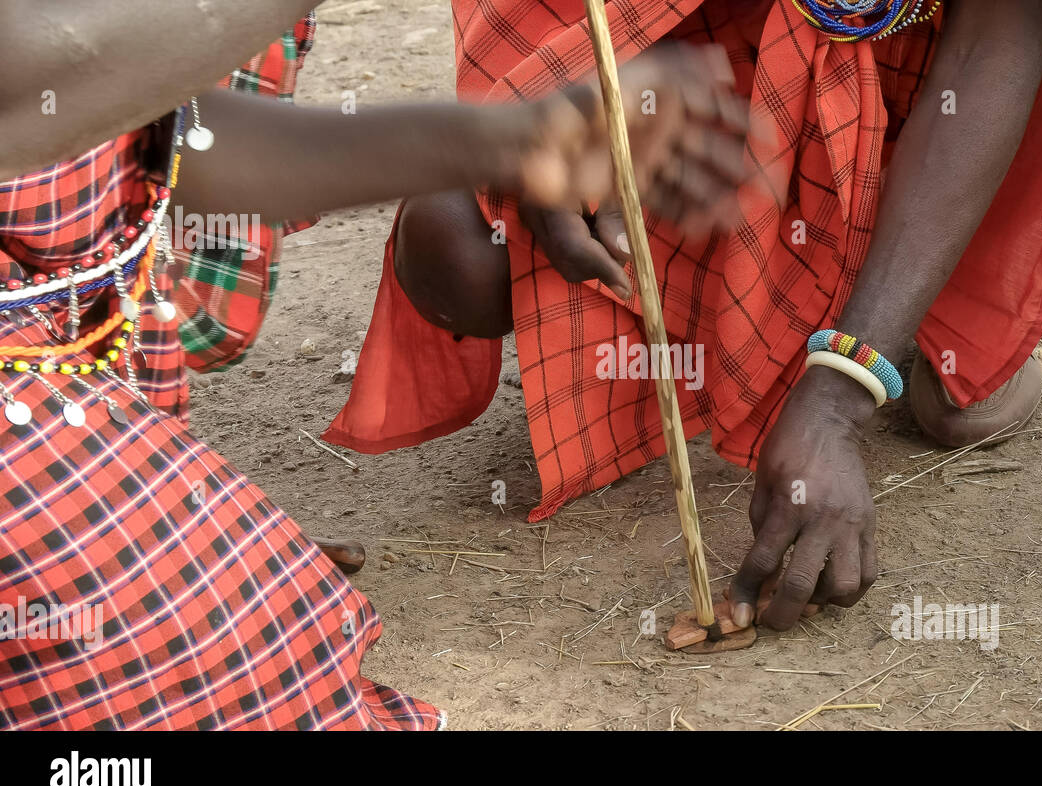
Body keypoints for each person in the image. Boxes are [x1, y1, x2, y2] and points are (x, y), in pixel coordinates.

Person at [327, 0, 1042, 631]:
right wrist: (588, 99)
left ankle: (955, 284)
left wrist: (839, 395)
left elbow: (1000, 36)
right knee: (463, 248)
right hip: (705, 61)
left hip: (916, 83)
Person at [0, 2, 747, 728]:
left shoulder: (103, 81)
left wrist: (511, 139)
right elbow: (40, 63)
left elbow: (177, 143)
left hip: (56, 390)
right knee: (228, 666)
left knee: (264, 635)